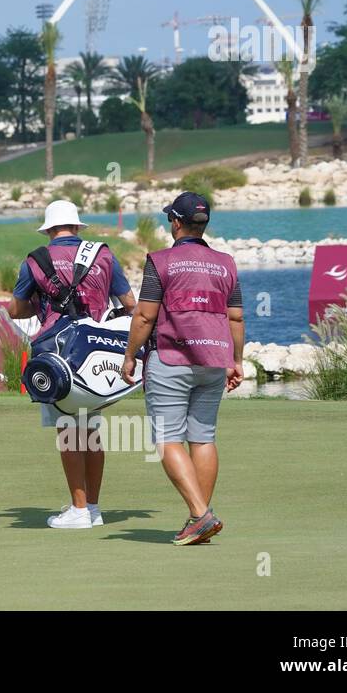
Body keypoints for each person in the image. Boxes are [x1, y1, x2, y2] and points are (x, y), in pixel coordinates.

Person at [121, 191, 244, 546]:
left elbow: (145, 315)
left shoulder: (159, 261)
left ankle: (201, 515)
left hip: (171, 358)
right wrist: (236, 360)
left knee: (166, 439)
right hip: (214, 361)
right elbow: (234, 316)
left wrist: (130, 356)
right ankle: (198, 520)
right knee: (202, 438)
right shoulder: (226, 263)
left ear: (175, 222)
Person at [9, 199, 136, 530]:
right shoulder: (104, 254)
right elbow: (130, 305)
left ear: (49, 229)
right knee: (90, 429)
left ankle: (78, 511)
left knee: (68, 430)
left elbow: (15, 310)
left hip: (57, 356)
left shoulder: (35, 260)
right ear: (78, 227)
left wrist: (40, 306)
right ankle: (92, 507)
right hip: (97, 354)